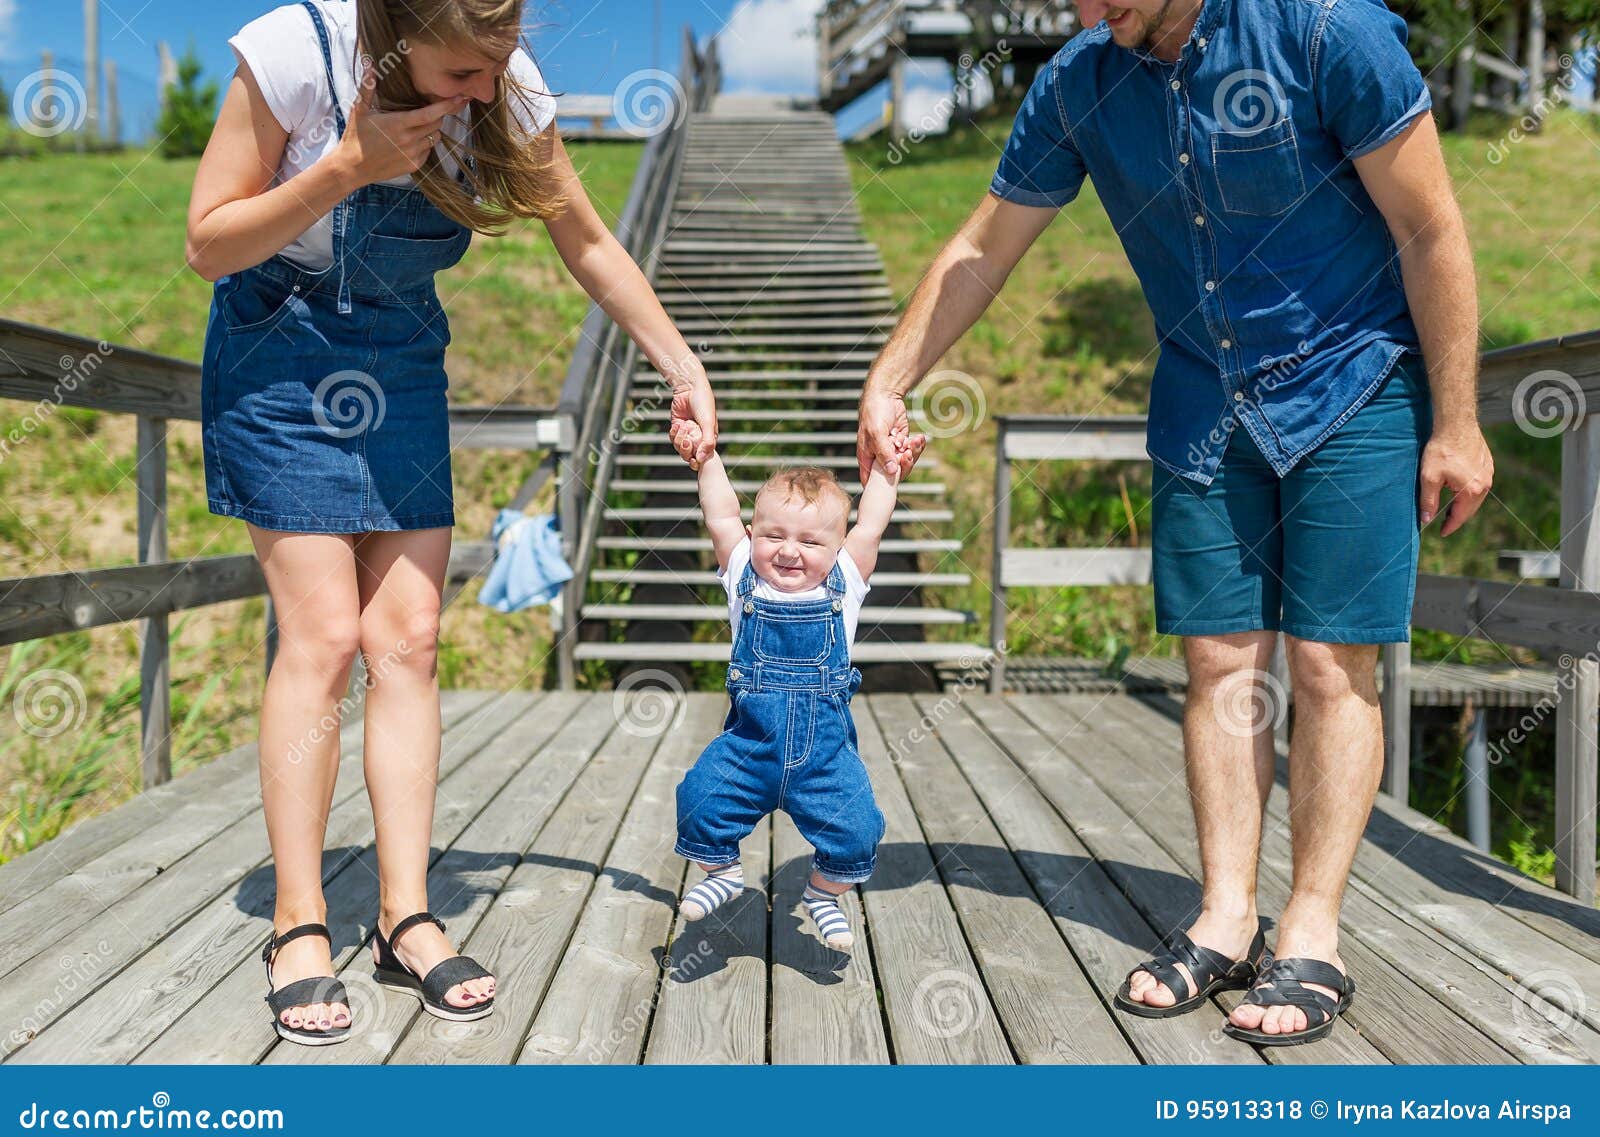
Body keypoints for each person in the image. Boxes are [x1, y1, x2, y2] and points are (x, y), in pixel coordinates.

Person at [855, 0, 1493, 1046]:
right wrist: (891, 379)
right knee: (1216, 665)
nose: (1076, 8)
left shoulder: (1328, 34)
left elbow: (1428, 227)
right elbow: (982, 246)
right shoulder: (1078, 80)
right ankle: (1227, 916)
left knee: (1333, 666)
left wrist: (1458, 420)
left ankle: (1314, 933)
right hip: (1203, 399)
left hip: (1355, 384)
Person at [187, 0, 716, 1045]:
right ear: (395, 29)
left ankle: (404, 915)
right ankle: (298, 923)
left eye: (498, 64)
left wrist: (681, 362)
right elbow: (207, 242)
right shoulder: (297, 49)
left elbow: (588, 241)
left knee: (412, 643)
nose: (485, 91)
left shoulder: (506, 91)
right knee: (326, 637)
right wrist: (344, 165)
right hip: (279, 356)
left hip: (400, 367)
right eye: (462, 70)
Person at [670, 455, 904, 950]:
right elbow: (719, 515)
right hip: (748, 749)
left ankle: (823, 895)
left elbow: (874, 522)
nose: (789, 551)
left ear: (838, 547)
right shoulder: (742, 579)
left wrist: (887, 467)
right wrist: (707, 459)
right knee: (697, 800)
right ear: (753, 533)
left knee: (859, 829)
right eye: (773, 535)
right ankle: (723, 872)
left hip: (824, 759)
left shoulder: (847, 584)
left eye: (811, 541)